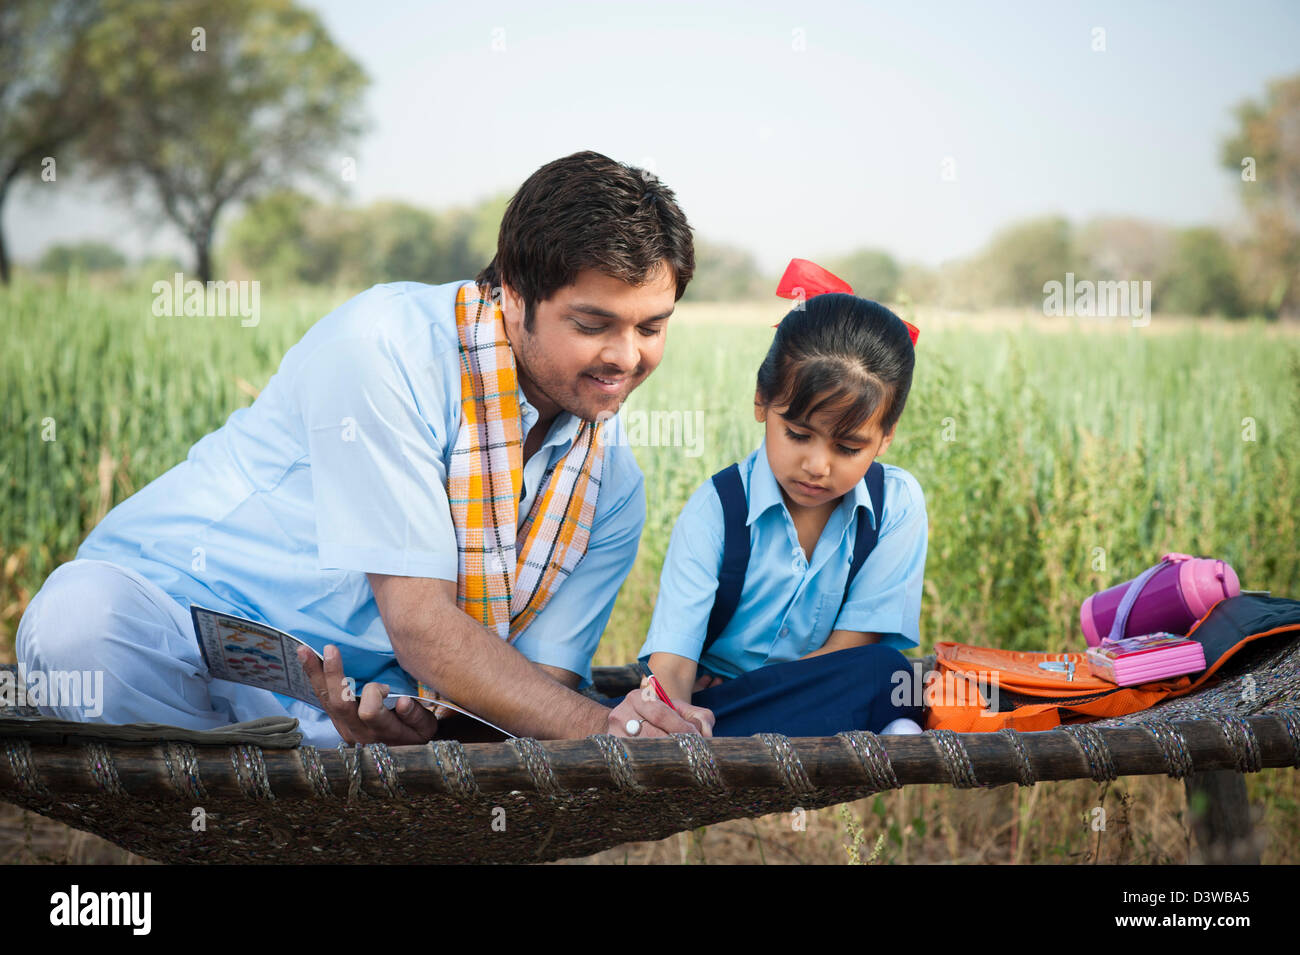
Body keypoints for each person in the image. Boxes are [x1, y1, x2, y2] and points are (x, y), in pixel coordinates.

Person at [15, 151, 713, 746]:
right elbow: (421, 625)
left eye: (652, 327)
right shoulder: (388, 348)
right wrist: (612, 732)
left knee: (376, 760)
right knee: (84, 627)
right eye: (593, 323)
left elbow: (537, 690)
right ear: (513, 294)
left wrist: (423, 731)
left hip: (334, 711)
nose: (626, 356)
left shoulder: (612, 488)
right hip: (164, 631)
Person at [629, 259, 928, 736]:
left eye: (849, 448)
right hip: (718, 707)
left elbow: (851, 649)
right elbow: (673, 668)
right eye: (797, 434)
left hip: (816, 692)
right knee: (654, 711)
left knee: (884, 671)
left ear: (885, 438)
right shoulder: (716, 510)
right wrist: (673, 713)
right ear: (761, 402)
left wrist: (762, 687)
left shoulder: (896, 503)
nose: (817, 465)